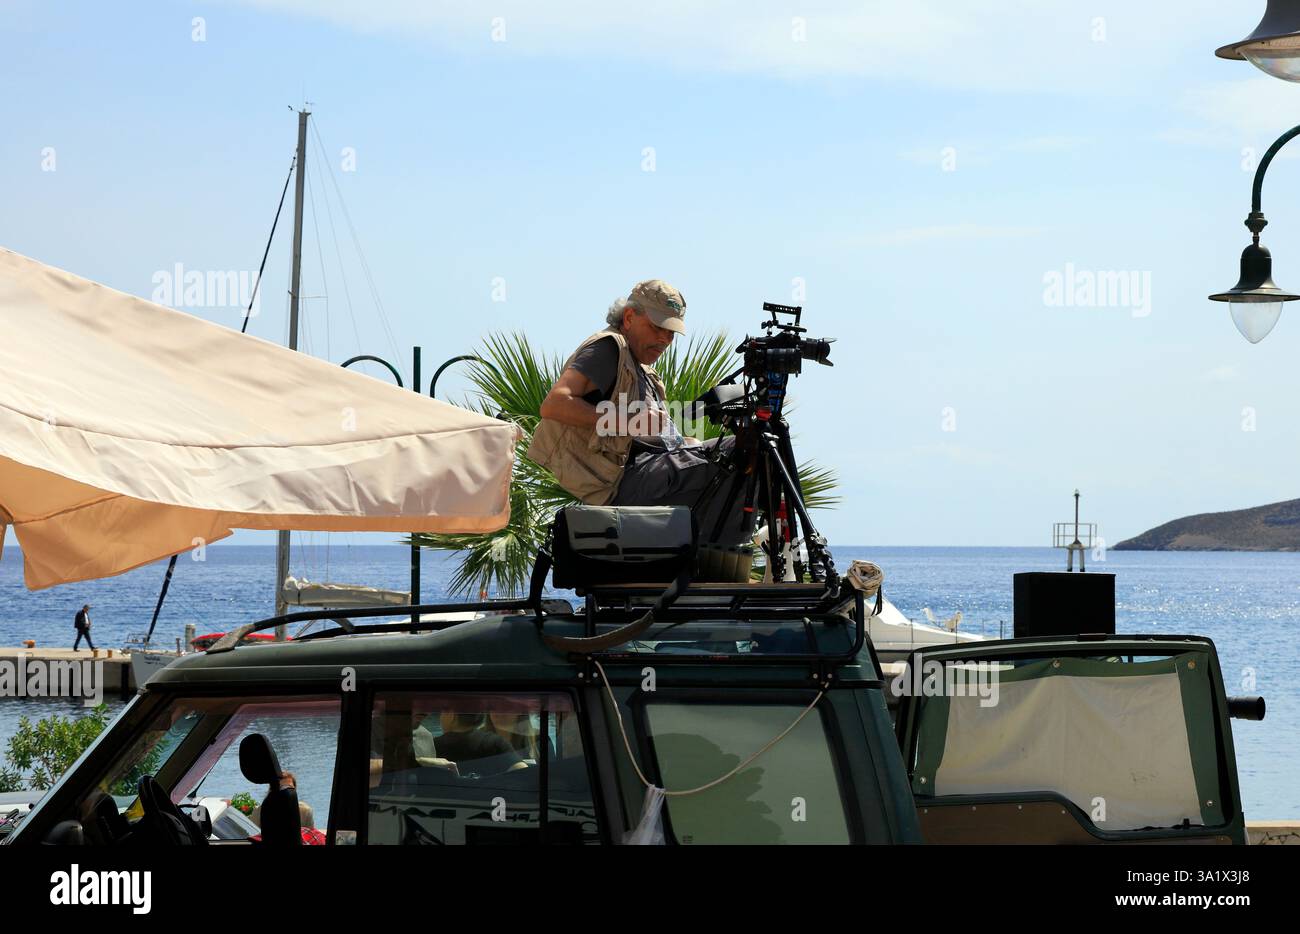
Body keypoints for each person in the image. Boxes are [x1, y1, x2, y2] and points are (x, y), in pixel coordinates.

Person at [528, 279, 753, 547]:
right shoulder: (608, 348)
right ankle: (723, 550)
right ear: (629, 317)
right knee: (744, 445)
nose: (664, 339)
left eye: (671, 333)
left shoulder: (644, 371)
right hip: (624, 485)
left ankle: (718, 551)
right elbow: (554, 404)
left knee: (751, 447)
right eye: (658, 327)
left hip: (651, 476)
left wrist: (687, 447)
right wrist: (627, 421)